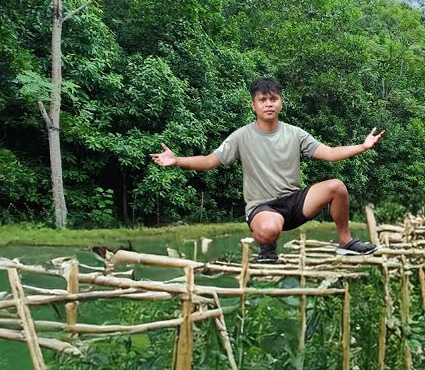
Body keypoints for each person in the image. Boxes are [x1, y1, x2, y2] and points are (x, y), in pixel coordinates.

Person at [149, 77, 383, 264]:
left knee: (337, 187)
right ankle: (267, 247)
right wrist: (177, 160)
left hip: (294, 202)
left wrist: (362, 146)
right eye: (262, 100)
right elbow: (210, 161)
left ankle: (345, 243)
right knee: (271, 227)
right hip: (263, 208)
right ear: (253, 105)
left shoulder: (295, 133)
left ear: (281, 102)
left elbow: (330, 153)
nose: (268, 104)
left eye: (273, 99)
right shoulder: (241, 136)